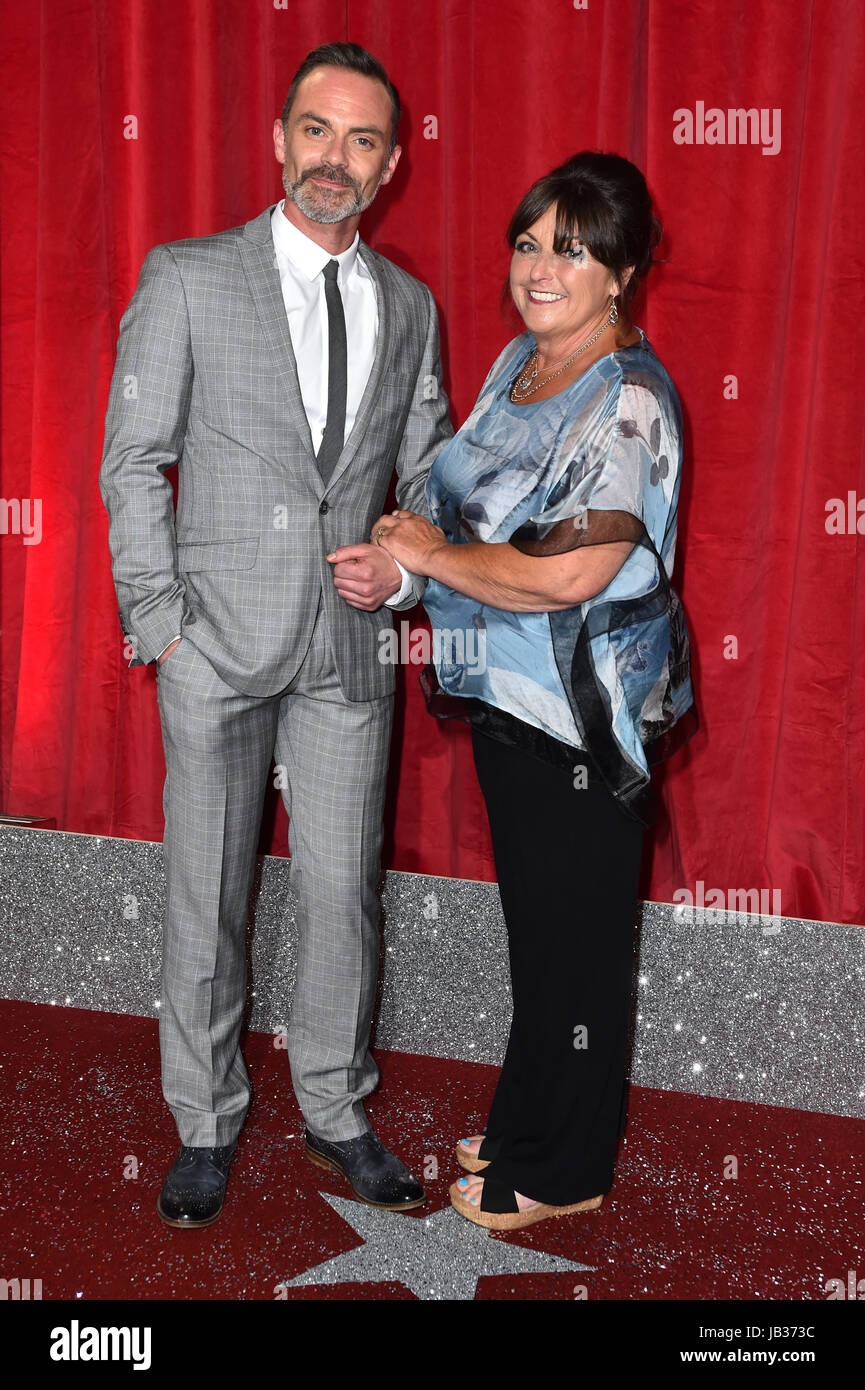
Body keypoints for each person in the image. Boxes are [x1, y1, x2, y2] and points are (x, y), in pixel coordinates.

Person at [99, 41, 452, 1227]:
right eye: (316, 130)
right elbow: (132, 460)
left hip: (350, 653)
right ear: (279, 138)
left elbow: (433, 476)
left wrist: (405, 570)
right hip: (215, 645)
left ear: (392, 163)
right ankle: (204, 1119)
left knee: (345, 891)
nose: (333, 159)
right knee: (208, 890)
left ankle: (337, 1108)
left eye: (361, 140)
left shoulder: (411, 306)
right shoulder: (190, 275)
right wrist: (162, 626)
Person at [373, 151, 697, 1231]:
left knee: (578, 948)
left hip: (580, 719)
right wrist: (408, 544)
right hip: (506, 703)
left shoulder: (631, 401)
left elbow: (567, 571)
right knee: (543, 939)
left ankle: (563, 1166)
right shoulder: (523, 358)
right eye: (528, 241)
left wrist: (431, 554)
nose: (540, 266)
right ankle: (528, 1117)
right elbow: (456, 495)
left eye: (572, 247)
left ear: (624, 270)